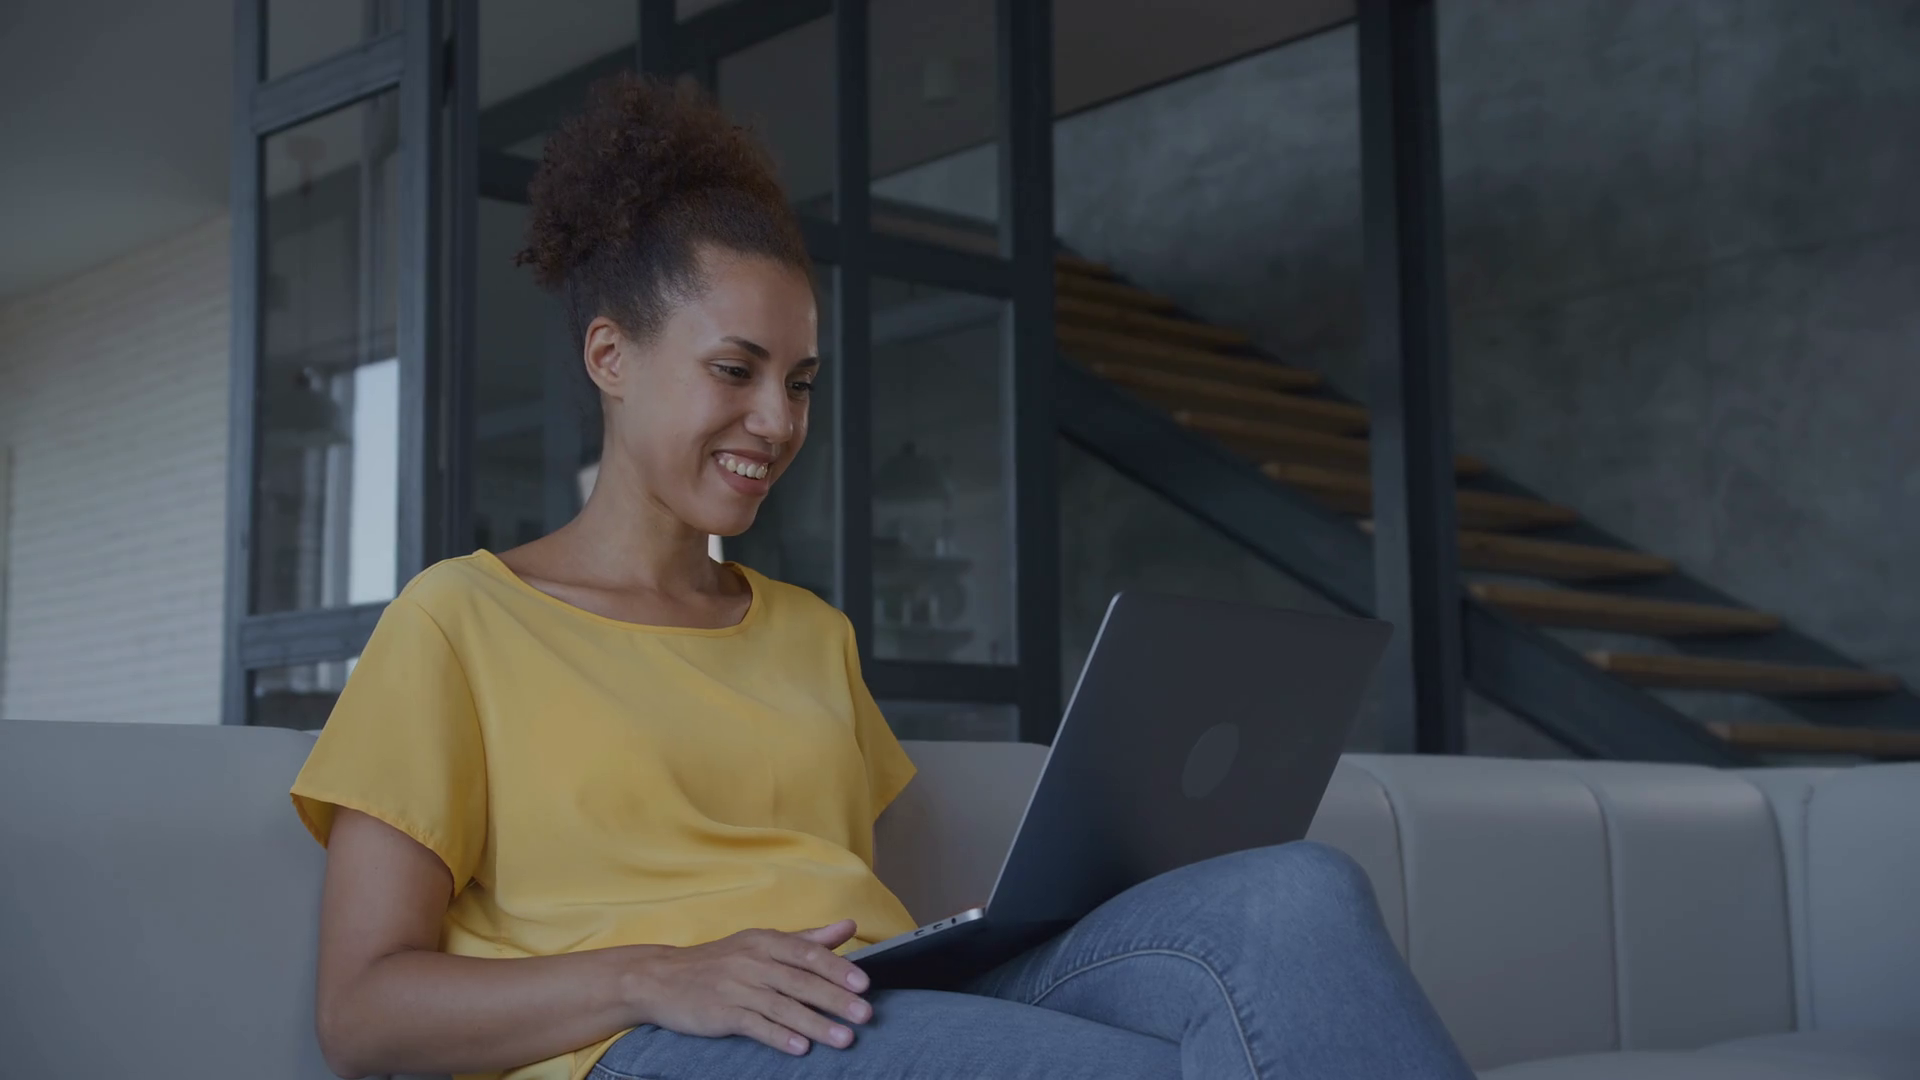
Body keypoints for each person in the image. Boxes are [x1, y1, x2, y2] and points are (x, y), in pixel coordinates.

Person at [289, 74, 1474, 1080]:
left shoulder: (809, 634)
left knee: (1295, 892)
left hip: (850, 1005)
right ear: (611, 355)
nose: (775, 419)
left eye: (798, 382)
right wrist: (662, 972)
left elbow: (849, 905)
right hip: (653, 1044)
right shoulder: (459, 621)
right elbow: (363, 1011)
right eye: (735, 370)